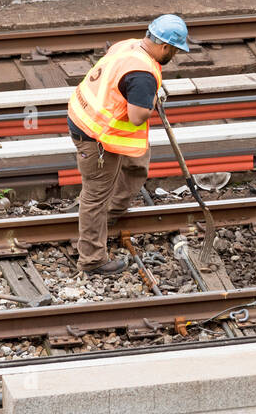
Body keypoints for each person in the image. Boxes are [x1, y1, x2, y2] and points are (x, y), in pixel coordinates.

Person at [66, 14, 190, 274]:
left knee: (136, 167)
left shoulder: (130, 45)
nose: (175, 55)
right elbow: (136, 117)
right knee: (95, 195)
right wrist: (151, 102)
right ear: (165, 46)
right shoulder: (142, 75)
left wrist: (149, 93)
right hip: (96, 136)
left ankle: (105, 219)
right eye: (175, 50)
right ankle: (91, 259)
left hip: (90, 118)